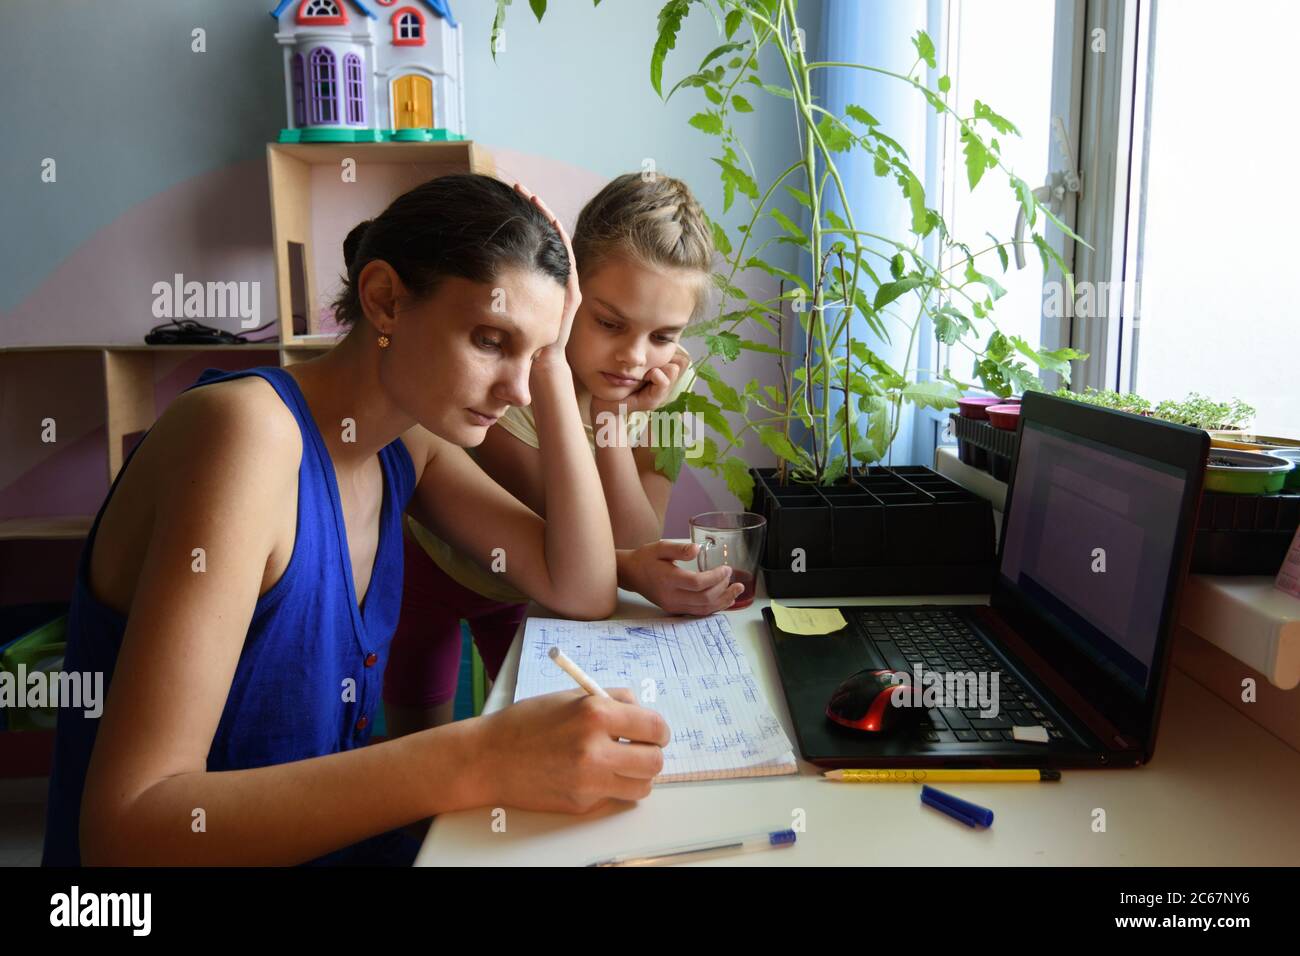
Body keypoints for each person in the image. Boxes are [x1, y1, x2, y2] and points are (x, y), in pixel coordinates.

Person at [42, 175, 670, 866]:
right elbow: (126, 830)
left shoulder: (409, 443)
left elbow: (580, 586)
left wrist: (553, 363)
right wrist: (475, 758)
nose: (516, 389)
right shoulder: (246, 435)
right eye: (491, 340)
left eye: (535, 354)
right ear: (384, 300)